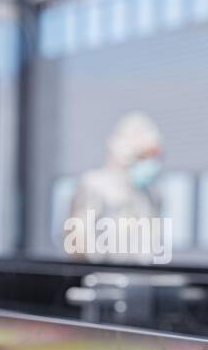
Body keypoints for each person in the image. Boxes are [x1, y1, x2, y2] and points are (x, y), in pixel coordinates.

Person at [64, 112, 164, 263]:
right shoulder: (94, 185)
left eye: (153, 157)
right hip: (100, 276)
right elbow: (77, 243)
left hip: (139, 278)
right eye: (143, 156)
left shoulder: (151, 196)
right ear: (125, 154)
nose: (149, 163)